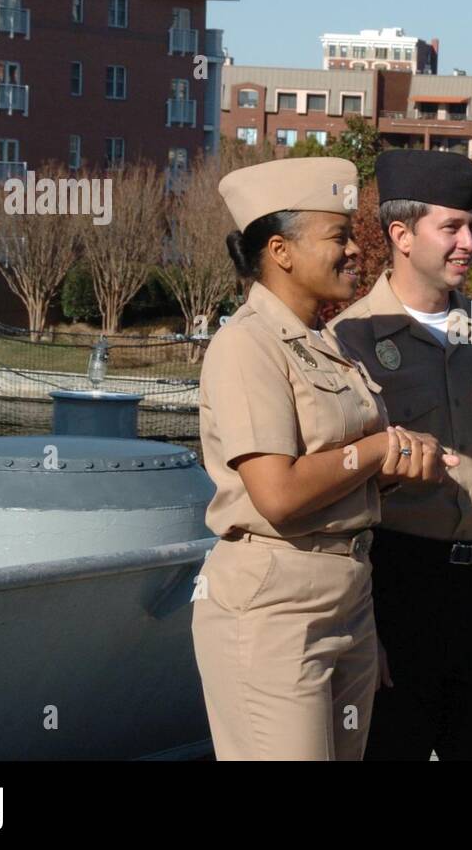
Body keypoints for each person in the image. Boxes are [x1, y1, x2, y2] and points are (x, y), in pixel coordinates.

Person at [192, 157, 457, 761]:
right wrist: (376, 449)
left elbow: (341, 470)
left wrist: (395, 467)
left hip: (348, 592)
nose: (355, 250)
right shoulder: (247, 346)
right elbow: (278, 494)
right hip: (275, 604)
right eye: (337, 237)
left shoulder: (322, 345)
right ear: (281, 251)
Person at [330, 149, 472, 761]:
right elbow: (336, 486)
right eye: (452, 227)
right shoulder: (348, 341)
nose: (469, 242)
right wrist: (360, 624)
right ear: (402, 235)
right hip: (393, 585)